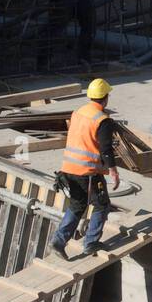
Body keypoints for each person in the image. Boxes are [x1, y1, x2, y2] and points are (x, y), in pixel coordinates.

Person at [50, 78, 118, 261]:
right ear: (105, 98)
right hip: (87, 171)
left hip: (68, 168)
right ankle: (91, 242)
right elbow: (106, 149)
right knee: (102, 204)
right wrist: (113, 170)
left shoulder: (78, 112)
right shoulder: (103, 120)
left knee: (78, 204)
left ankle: (58, 241)